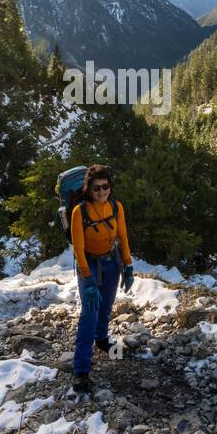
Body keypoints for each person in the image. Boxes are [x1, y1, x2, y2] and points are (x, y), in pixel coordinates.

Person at [69, 164, 134, 394]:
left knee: (106, 305)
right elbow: (78, 247)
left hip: (111, 262)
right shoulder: (80, 211)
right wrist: (86, 279)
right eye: (96, 188)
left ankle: (102, 338)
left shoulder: (116, 207)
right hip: (90, 265)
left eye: (105, 187)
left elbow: (123, 236)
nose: (101, 192)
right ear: (89, 189)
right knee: (89, 313)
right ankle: (81, 370)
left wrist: (128, 266)